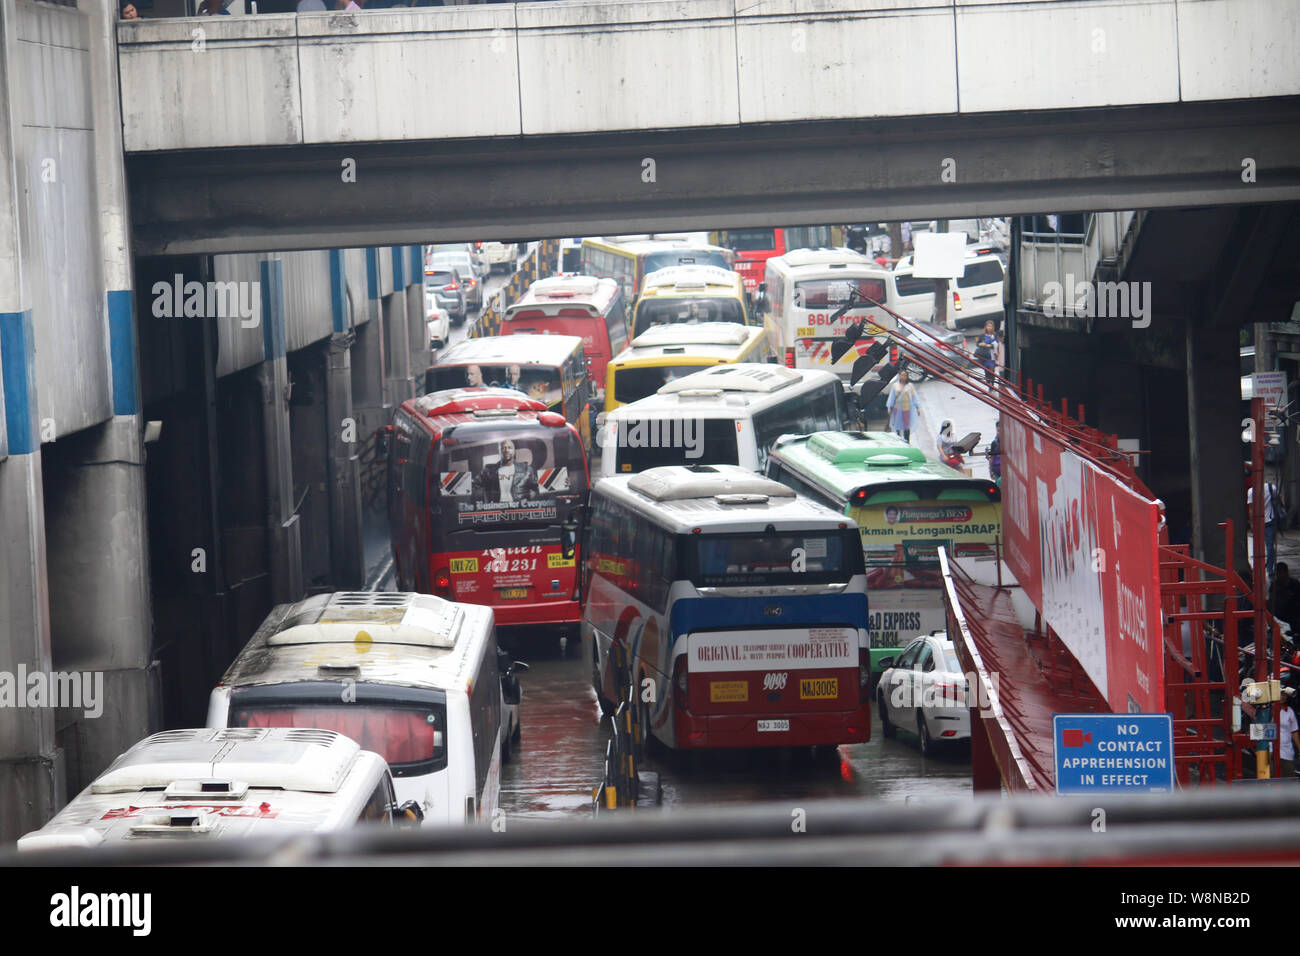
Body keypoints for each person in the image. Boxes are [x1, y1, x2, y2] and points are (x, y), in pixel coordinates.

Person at [473, 439, 538, 505]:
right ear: (499, 451)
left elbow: (537, 489)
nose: (506, 450)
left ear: (514, 451)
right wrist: (484, 502)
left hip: (519, 510)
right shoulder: (488, 470)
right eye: (503, 448)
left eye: (509, 448)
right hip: (496, 509)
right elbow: (474, 486)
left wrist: (527, 501)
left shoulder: (526, 469)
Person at [1247, 480, 1282, 577]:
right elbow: (1279, 500)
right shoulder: (1272, 488)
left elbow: (1251, 509)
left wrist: (1252, 523)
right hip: (1270, 519)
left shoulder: (1251, 491)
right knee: (1270, 545)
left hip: (1258, 522)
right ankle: (1270, 568)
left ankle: (1260, 566)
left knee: (1258, 546)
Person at [885, 369, 920, 443]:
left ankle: (907, 441)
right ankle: (899, 440)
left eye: (904, 375)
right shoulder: (895, 385)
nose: (903, 377)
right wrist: (890, 408)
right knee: (897, 425)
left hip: (907, 409)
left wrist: (917, 407)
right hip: (897, 409)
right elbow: (892, 397)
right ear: (899, 376)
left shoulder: (910, 386)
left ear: (907, 377)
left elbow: (914, 397)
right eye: (901, 375)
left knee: (906, 426)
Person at [1271, 562, 1300, 634]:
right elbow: (1270, 602)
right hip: (1280, 614)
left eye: (1281, 573)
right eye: (1277, 573)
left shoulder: (1295, 584)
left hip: (1295, 614)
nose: (1279, 575)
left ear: (1286, 572)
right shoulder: (1274, 586)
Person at [1280, 687, 1299, 780]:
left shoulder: (1290, 711)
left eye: (1284, 694)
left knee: (1289, 780)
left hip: (1287, 753)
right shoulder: (1268, 710)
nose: (1282, 697)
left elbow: (1294, 733)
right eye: (1280, 694)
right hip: (1271, 752)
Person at [974, 319, 999, 387]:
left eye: (991, 326)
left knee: (992, 370)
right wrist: (981, 344)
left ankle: (992, 385)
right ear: (986, 327)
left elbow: (997, 344)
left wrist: (990, 345)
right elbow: (977, 344)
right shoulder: (982, 335)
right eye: (988, 326)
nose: (989, 328)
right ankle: (988, 385)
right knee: (987, 371)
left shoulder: (995, 335)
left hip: (992, 355)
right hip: (984, 355)